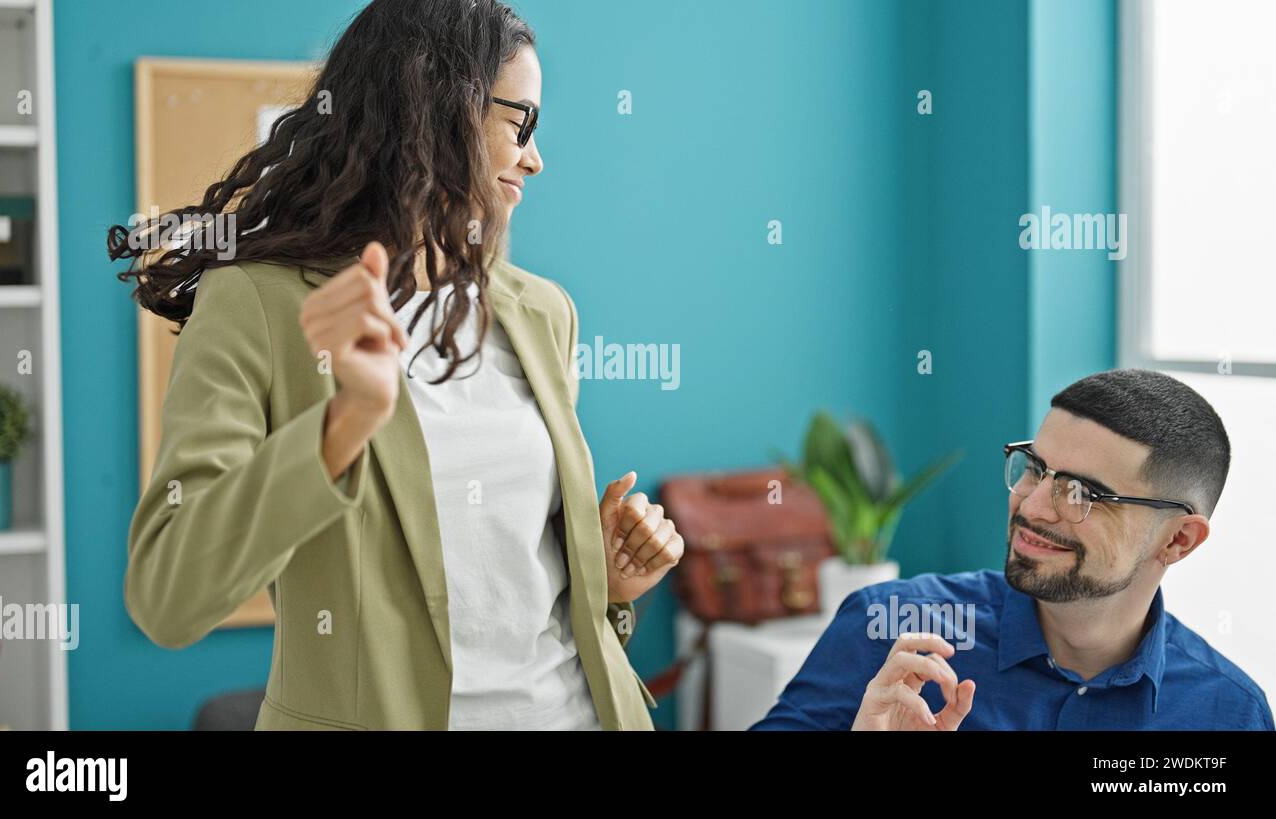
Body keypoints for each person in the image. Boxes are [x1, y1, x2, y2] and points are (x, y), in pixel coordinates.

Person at [113, 0, 682, 730]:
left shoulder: (542, 312)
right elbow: (168, 594)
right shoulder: (258, 305)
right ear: (438, 108)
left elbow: (511, 585)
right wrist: (339, 426)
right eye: (522, 124)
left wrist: (604, 580)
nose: (536, 157)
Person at [751, 369, 1274, 730]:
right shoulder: (887, 626)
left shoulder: (1230, 711)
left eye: (1081, 493)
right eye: (1034, 469)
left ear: (1178, 539)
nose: (1032, 505)